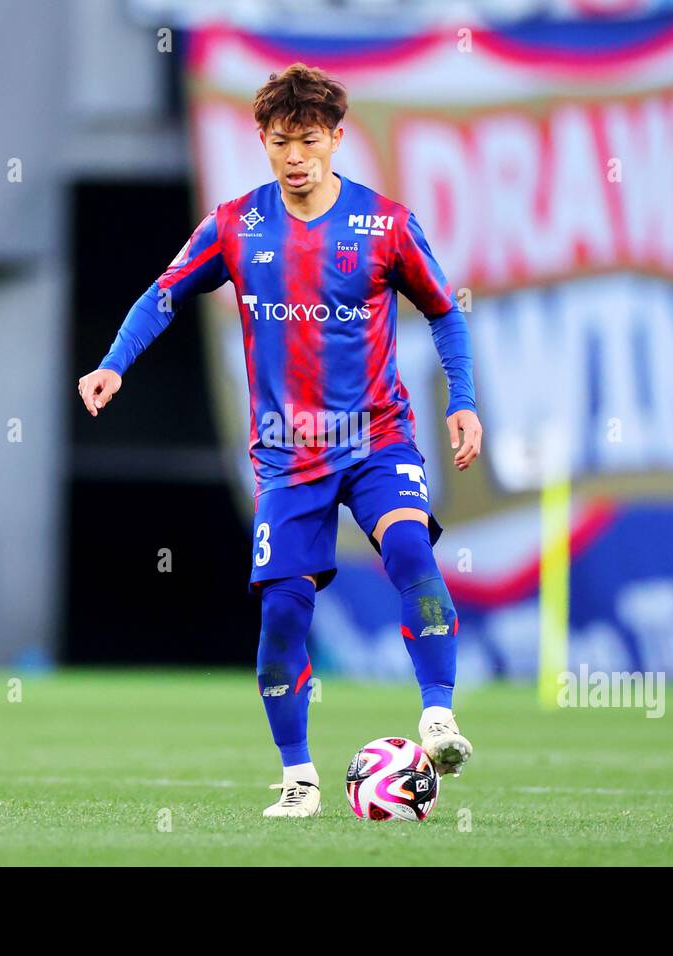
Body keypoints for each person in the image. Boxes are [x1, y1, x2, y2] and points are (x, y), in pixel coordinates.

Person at [77, 63, 482, 818]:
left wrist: (462, 401)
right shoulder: (234, 225)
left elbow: (444, 311)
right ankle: (298, 778)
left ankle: (437, 714)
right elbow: (164, 293)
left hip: (376, 440)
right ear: (261, 140)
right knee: (284, 614)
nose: (294, 155)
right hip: (286, 457)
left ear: (335, 137)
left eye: (307, 139)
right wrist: (112, 365)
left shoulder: (385, 224)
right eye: (278, 140)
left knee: (407, 550)